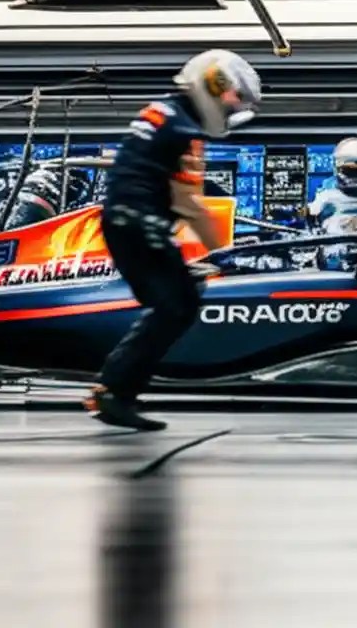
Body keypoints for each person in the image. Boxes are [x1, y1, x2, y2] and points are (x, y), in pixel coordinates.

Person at [87, 50, 261, 431]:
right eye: (232, 101)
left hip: (124, 221)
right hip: (139, 223)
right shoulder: (185, 131)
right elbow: (189, 203)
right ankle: (114, 390)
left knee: (171, 303)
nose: (231, 110)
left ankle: (116, 390)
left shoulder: (161, 110)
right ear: (214, 86)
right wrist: (227, 253)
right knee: (177, 306)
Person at [308, 138, 357, 235]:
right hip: (335, 245)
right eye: (349, 170)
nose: (354, 176)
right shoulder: (327, 197)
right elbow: (309, 213)